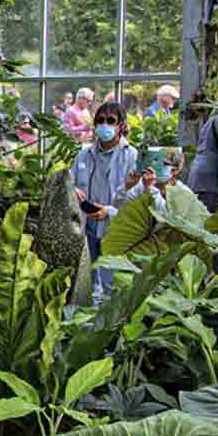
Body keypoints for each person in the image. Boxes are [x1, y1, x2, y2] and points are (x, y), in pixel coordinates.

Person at [71, 101, 140, 302]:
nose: (105, 125)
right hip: (87, 224)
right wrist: (73, 190)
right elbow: (71, 182)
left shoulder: (132, 156)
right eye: (100, 121)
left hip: (115, 226)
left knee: (113, 283)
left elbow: (135, 198)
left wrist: (108, 211)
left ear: (121, 125)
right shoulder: (84, 154)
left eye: (111, 121)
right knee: (87, 280)